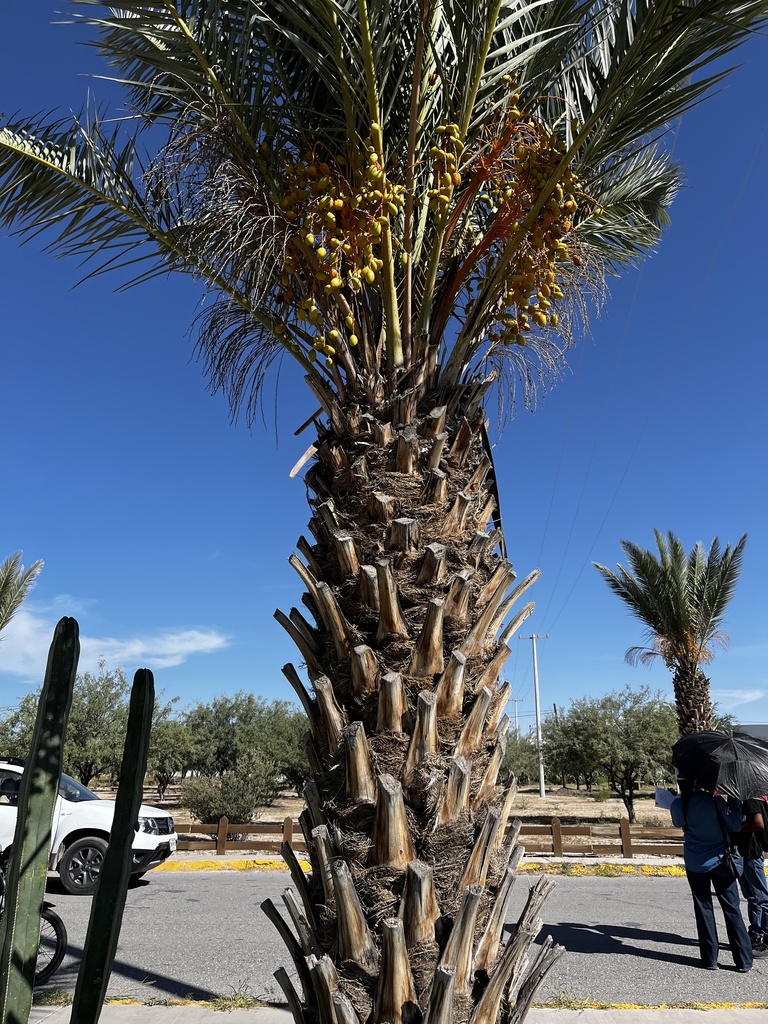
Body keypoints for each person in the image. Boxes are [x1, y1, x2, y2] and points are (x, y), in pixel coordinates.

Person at [670, 779, 760, 971]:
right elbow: (735, 825)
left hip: (694, 862)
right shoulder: (715, 801)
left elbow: (678, 823)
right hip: (720, 860)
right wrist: (734, 800)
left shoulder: (679, 804)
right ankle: (743, 960)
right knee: (731, 909)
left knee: (703, 909)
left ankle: (710, 959)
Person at [733, 796, 768, 952]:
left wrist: (736, 827)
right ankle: (755, 934)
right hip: (743, 851)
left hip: (751, 852)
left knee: (761, 898)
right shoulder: (741, 798)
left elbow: (758, 823)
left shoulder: (750, 798)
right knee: (752, 897)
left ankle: (763, 937)